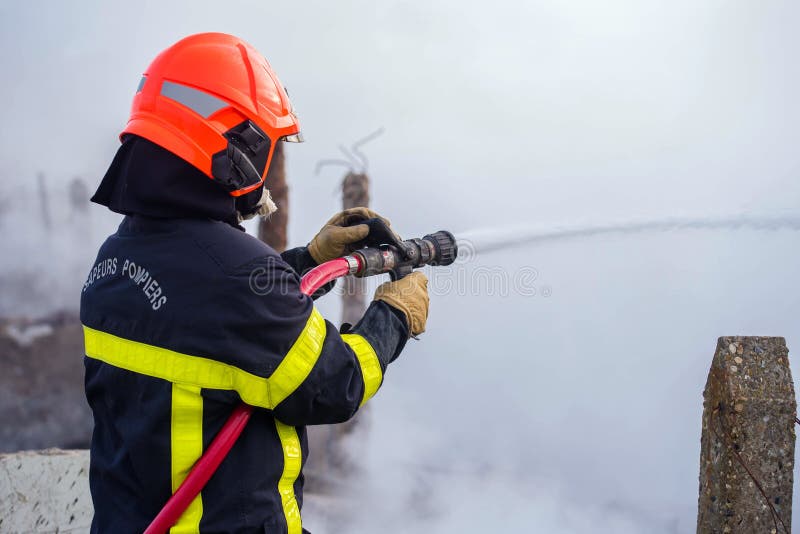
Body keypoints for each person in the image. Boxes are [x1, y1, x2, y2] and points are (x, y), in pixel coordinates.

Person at [81, 32, 429, 534]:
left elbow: (213, 313)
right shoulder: (232, 274)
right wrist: (395, 315)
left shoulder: (117, 255)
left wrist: (310, 258)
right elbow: (334, 384)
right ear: (238, 146)